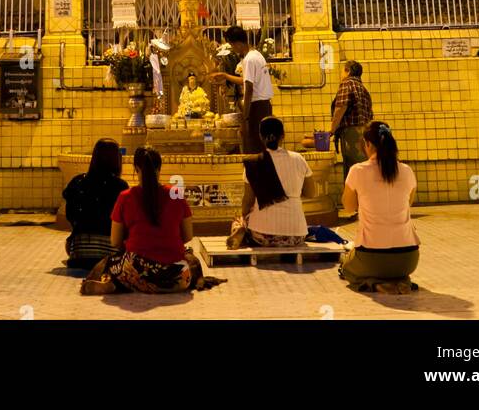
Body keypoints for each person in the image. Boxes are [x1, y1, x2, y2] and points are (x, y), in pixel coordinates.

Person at [80, 146, 207, 295]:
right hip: (176, 277)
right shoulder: (176, 194)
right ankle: (164, 284)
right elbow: (188, 236)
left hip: (136, 271)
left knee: (110, 262)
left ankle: (114, 283)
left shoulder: (125, 197)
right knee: (191, 260)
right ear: (160, 168)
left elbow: (115, 241)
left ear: (136, 169)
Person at [338, 120, 419, 293]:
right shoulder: (407, 170)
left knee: (346, 268)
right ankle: (401, 280)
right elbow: (408, 203)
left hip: (372, 257)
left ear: (368, 144)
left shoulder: (358, 170)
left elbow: (349, 206)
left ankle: (374, 283)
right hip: (408, 259)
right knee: (393, 269)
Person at [229, 116, 316, 247]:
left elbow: (248, 201)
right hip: (296, 235)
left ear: (260, 136)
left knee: (239, 220)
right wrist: (291, 196)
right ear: (283, 136)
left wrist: (244, 215)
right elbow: (311, 193)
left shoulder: (254, 162)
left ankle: (241, 229)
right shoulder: (299, 159)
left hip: (262, 235)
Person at [62, 138, 128, 271]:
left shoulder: (78, 182)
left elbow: (70, 215)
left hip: (79, 252)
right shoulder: (120, 186)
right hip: (108, 254)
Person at [210, 25, 274, 153]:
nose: (233, 49)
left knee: (254, 147)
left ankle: (254, 172)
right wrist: (226, 76)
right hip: (264, 105)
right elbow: (247, 81)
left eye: (232, 45)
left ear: (238, 44)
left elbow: (249, 88)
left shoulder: (249, 60)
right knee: (262, 147)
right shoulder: (257, 55)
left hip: (256, 107)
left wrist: (245, 117)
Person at [330, 59, 373, 180]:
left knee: (352, 171)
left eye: (342, 71)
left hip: (351, 134)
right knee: (363, 168)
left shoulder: (347, 83)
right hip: (364, 134)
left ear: (347, 71)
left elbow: (340, 108)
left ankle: (351, 197)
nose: (341, 75)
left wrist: (332, 130)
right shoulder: (364, 89)